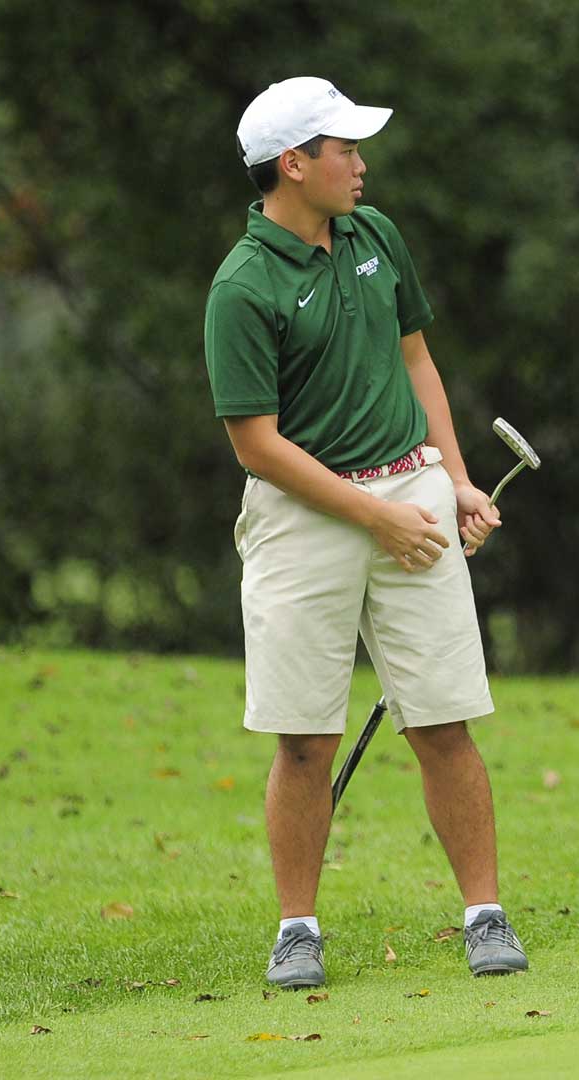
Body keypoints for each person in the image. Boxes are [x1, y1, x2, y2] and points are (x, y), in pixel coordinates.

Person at [202, 76, 529, 989]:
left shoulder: (375, 235)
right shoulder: (242, 286)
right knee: (304, 739)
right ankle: (297, 931)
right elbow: (257, 445)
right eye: (345, 150)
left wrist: (454, 481)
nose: (361, 164)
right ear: (293, 164)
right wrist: (376, 516)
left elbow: (415, 360)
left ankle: (485, 916)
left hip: (411, 493)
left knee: (443, 723)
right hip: (303, 519)